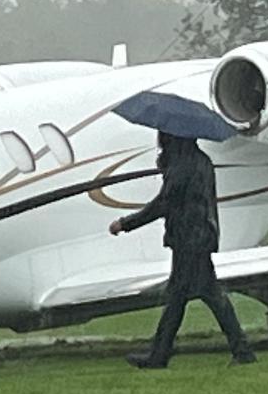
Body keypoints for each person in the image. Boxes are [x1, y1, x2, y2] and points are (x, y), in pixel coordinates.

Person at [108, 132, 257, 369]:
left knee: (195, 297)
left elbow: (164, 203)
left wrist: (126, 223)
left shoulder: (181, 166)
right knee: (188, 297)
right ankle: (163, 354)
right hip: (198, 237)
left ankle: (163, 355)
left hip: (188, 239)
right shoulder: (200, 161)